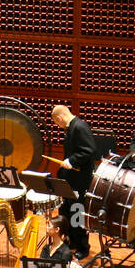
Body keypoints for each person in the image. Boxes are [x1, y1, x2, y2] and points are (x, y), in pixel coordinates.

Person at [50, 105, 96, 257]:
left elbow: (89, 150)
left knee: (77, 214)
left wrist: (72, 161)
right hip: (70, 180)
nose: (58, 126)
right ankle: (71, 242)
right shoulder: (72, 127)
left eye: (57, 123)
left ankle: (83, 247)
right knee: (67, 212)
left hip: (80, 181)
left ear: (59, 118)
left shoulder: (79, 127)